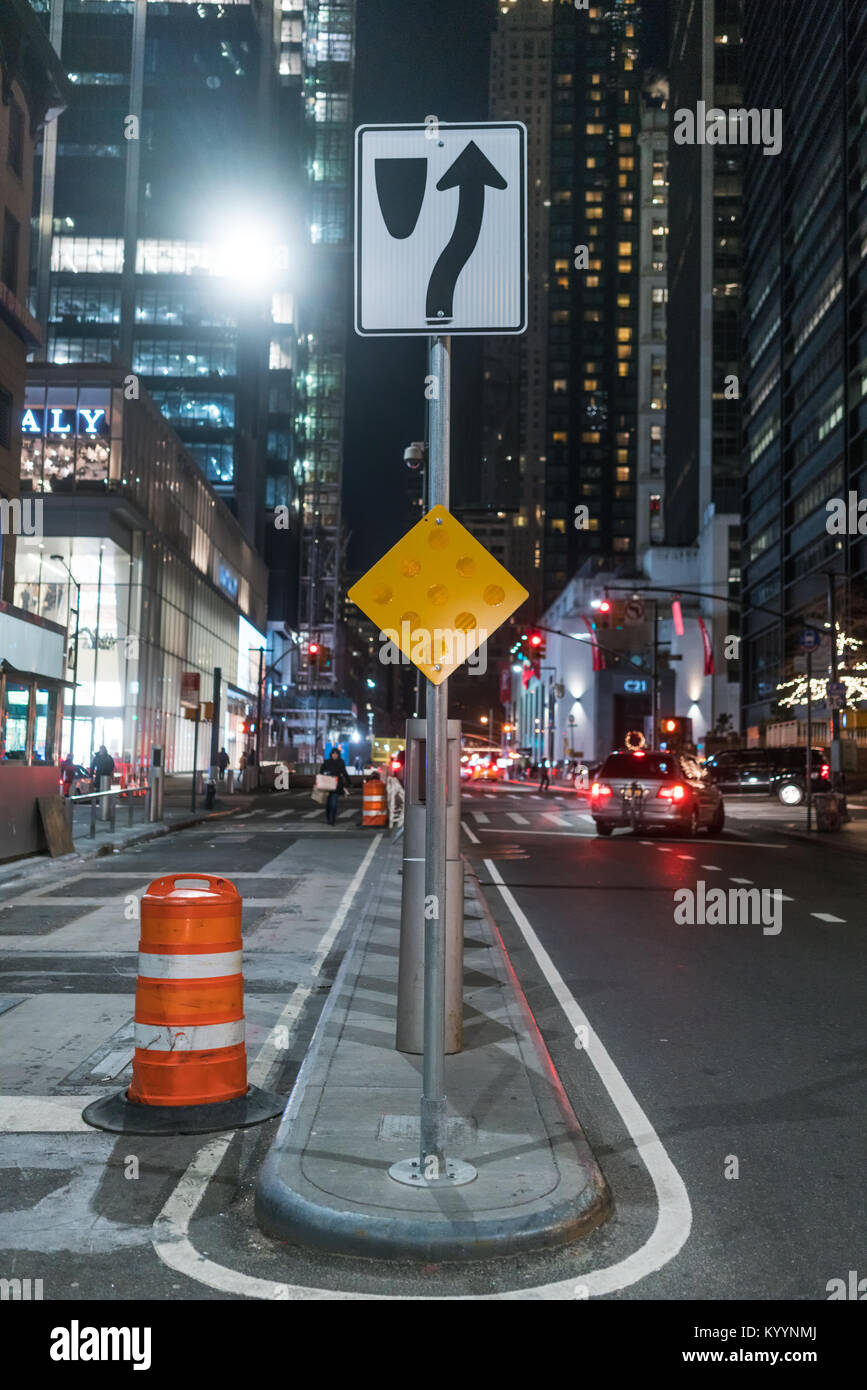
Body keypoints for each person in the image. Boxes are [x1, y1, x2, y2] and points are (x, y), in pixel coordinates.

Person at [319, 746, 349, 825]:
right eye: (333, 753)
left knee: (334, 803)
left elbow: (344, 773)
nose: (335, 755)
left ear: (338, 755)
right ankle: (328, 817)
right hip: (327, 786)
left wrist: (349, 782)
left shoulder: (341, 762)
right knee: (328, 804)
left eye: (336, 754)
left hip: (336, 786)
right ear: (331, 754)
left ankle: (332, 820)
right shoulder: (327, 762)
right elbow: (321, 772)